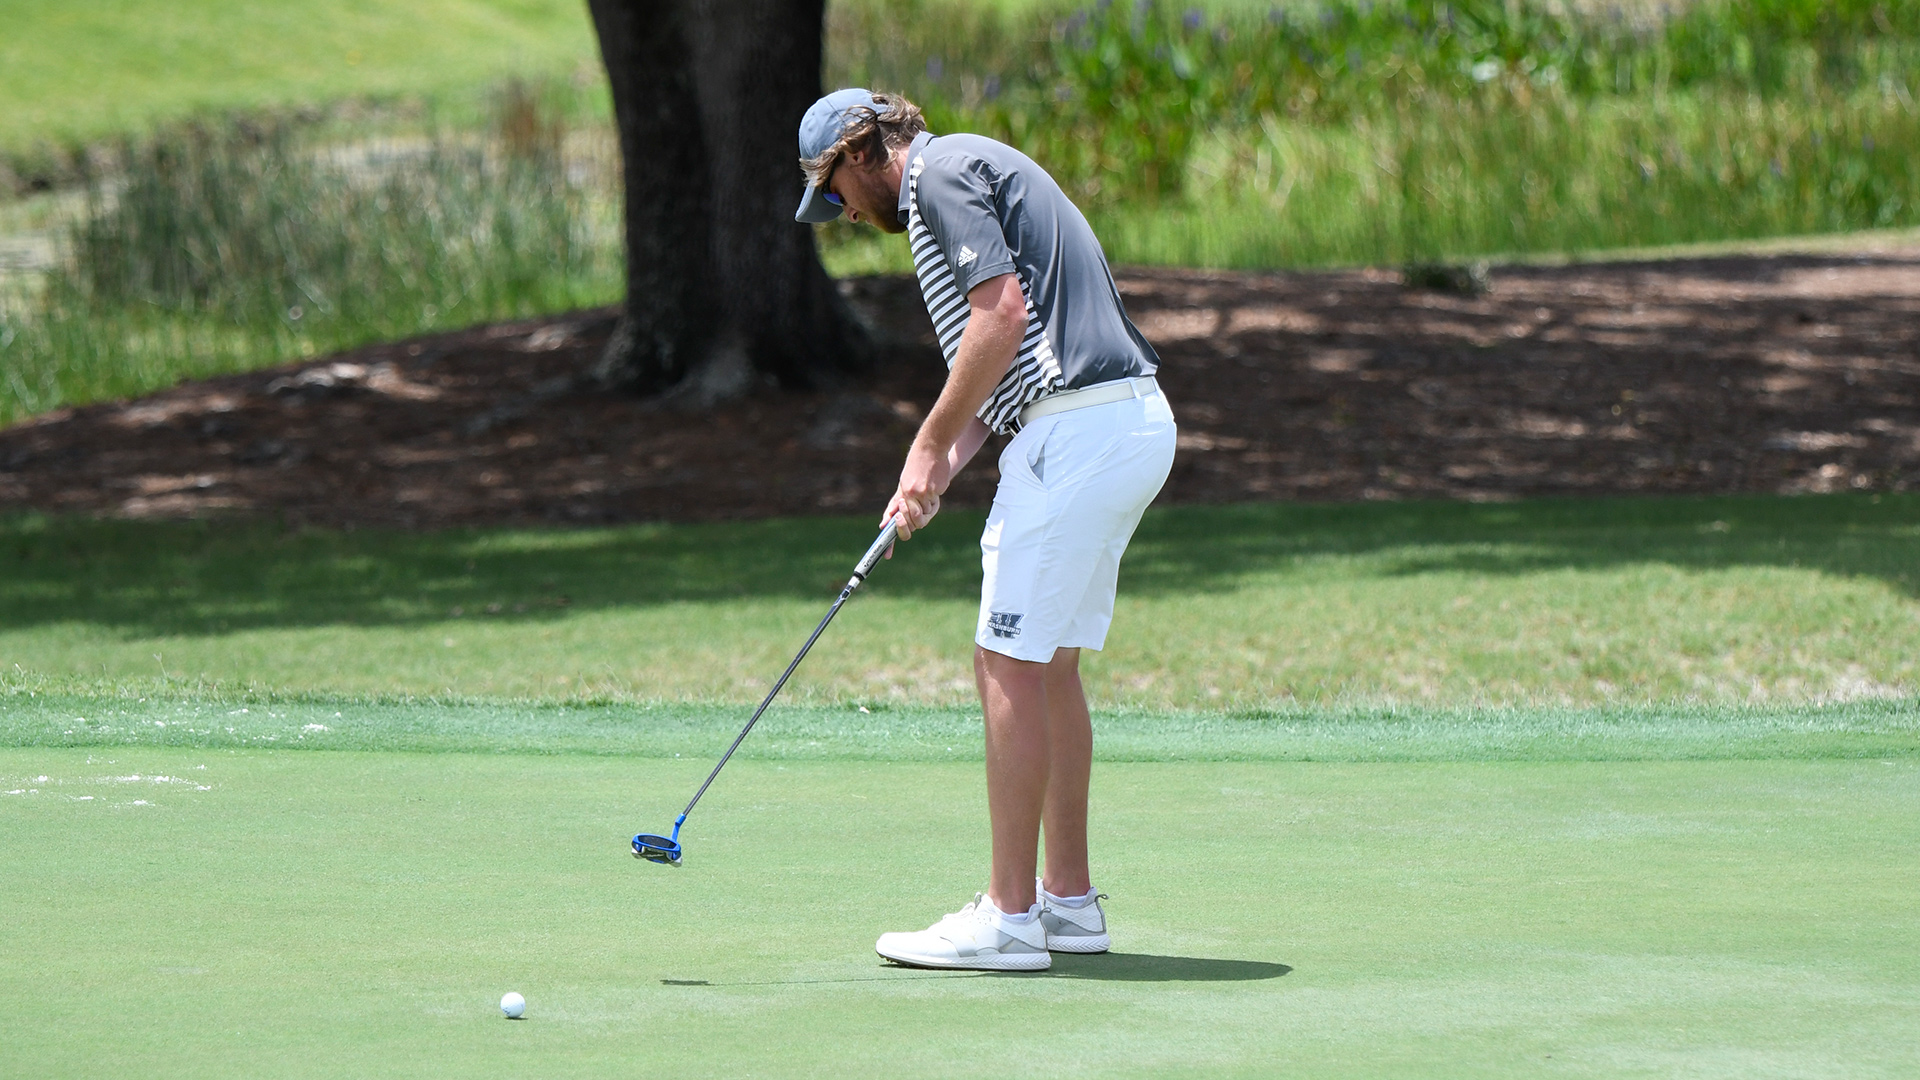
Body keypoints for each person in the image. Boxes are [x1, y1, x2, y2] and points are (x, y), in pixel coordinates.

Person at [795, 89, 1176, 971]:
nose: (844, 216)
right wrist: (928, 473)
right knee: (1047, 664)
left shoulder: (939, 175)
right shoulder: (967, 167)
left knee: (1005, 660)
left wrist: (926, 443)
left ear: (860, 153)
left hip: (1077, 433)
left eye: (835, 194)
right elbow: (1004, 368)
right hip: (1122, 424)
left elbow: (997, 316)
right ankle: (1068, 905)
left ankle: (1007, 918)